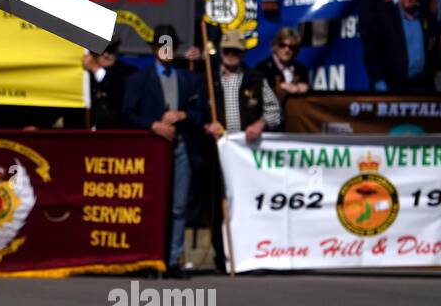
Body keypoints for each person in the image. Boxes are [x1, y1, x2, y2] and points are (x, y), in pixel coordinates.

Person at [122, 24, 207, 277]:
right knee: (151, 205)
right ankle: (150, 258)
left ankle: (172, 260)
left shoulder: (188, 79)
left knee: (178, 206)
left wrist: (184, 114)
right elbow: (127, 113)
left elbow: (202, 113)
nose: (167, 50)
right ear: (154, 48)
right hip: (152, 149)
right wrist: (153, 125)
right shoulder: (139, 79)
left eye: (171, 45)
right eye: (162, 45)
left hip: (180, 147)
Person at [204, 30, 282, 272]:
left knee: (249, 203)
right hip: (217, 151)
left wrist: (260, 124)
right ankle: (222, 256)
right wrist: (207, 125)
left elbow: (275, 112)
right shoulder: (209, 78)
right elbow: (194, 109)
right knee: (217, 204)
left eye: (236, 51)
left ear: (243, 53)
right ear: (221, 52)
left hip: (247, 155)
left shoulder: (255, 79)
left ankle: (249, 254)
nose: (231, 56)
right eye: (227, 51)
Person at [364, 0, 440, 93]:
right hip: (394, 87)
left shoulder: (424, 17)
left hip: (422, 87)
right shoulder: (386, 18)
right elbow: (372, 52)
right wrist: (379, 80)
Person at [83, 37, 134, 129]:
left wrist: (96, 70)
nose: (106, 55)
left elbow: (118, 94)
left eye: (111, 50)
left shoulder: (128, 72)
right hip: (86, 130)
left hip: (113, 133)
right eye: (102, 50)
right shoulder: (84, 73)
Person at [255, 26, 310, 107]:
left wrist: (304, 88)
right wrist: (280, 87)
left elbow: (307, 91)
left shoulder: (300, 69)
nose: (287, 49)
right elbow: (258, 93)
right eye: (282, 45)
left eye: (291, 47)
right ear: (276, 46)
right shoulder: (263, 68)